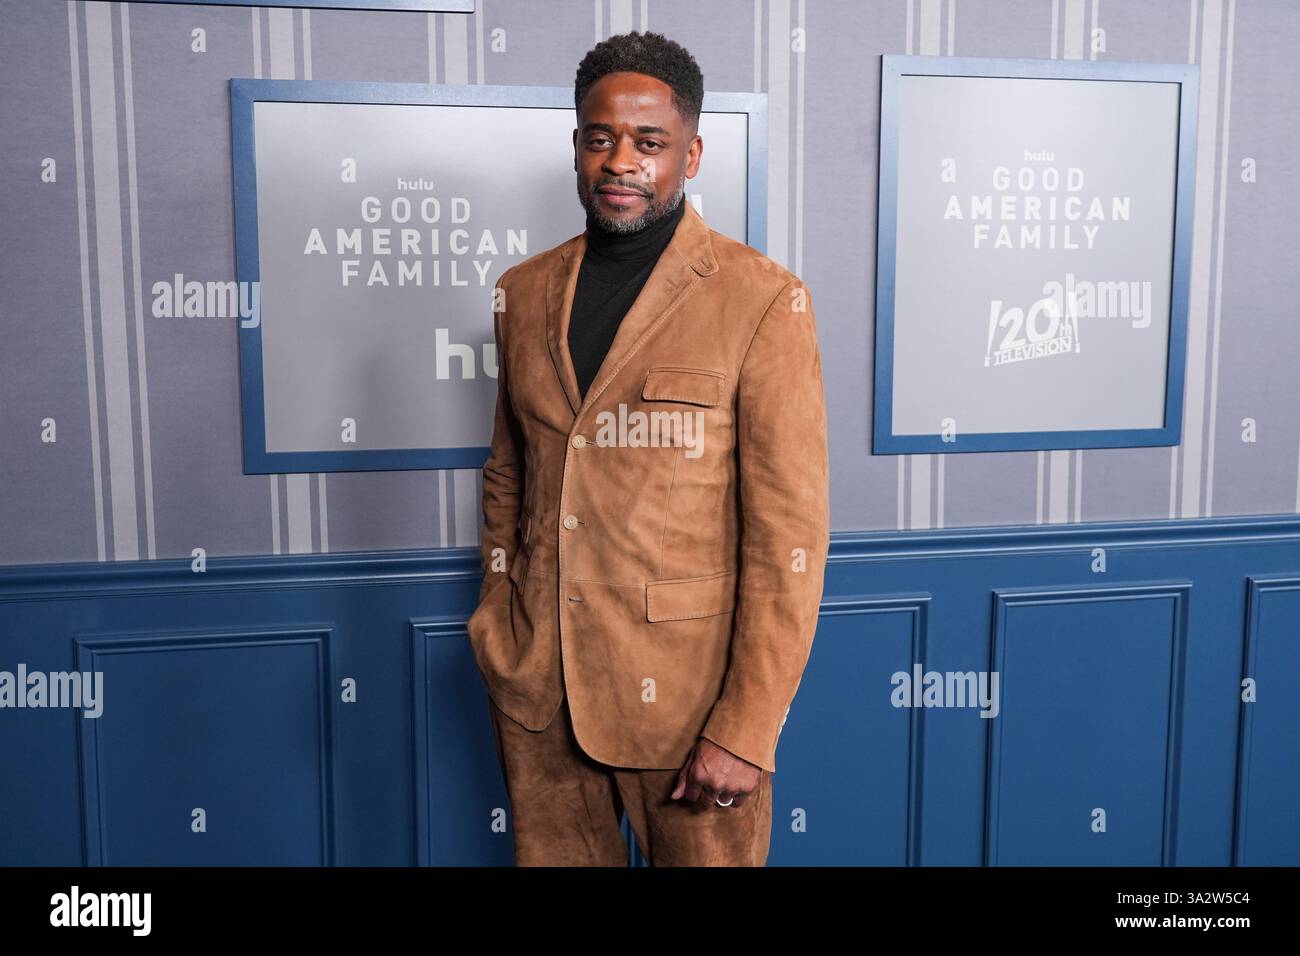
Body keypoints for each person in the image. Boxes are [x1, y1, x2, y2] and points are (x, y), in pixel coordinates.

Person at [466, 30, 829, 866]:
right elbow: (509, 475)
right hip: (539, 695)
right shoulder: (522, 294)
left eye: (648, 142)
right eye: (601, 139)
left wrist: (746, 728)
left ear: (692, 154)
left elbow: (789, 539)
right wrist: (498, 621)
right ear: (577, 148)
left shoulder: (763, 300)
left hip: (691, 710)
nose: (620, 160)